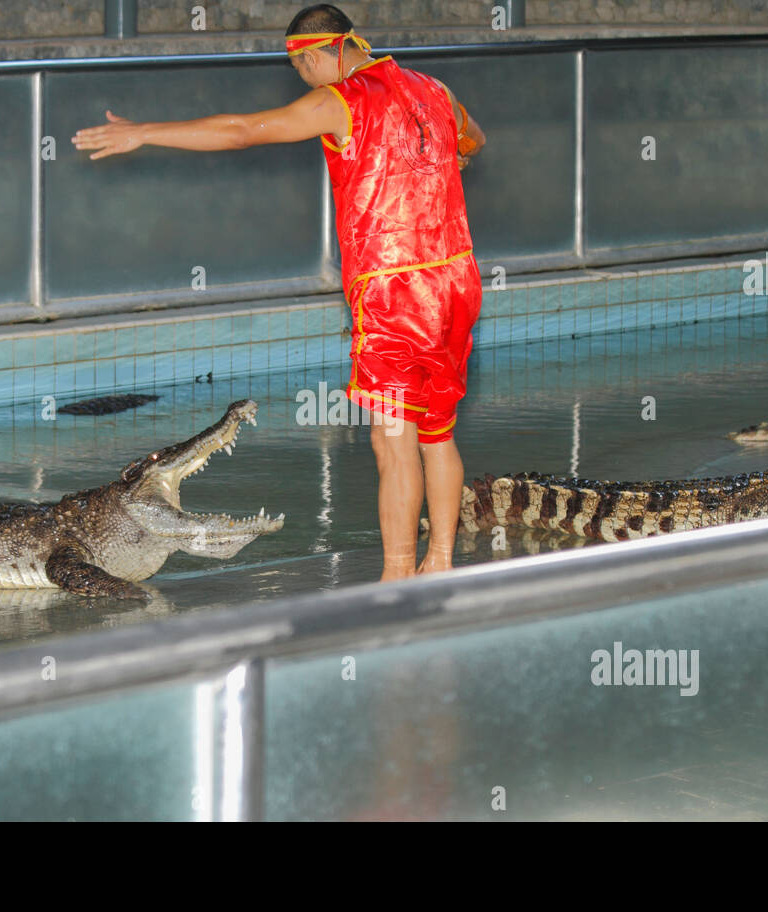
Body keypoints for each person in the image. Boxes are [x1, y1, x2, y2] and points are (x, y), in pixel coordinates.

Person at [72, 3, 486, 581]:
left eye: (301, 69)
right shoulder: (433, 88)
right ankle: (439, 559)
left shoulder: (340, 100)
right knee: (437, 432)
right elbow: (472, 138)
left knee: (394, 441)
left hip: (394, 292)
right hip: (456, 280)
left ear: (320, 53)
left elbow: (243, 131)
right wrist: (444, 160)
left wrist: (143, 132)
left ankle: (396, 578)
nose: (304, 81)